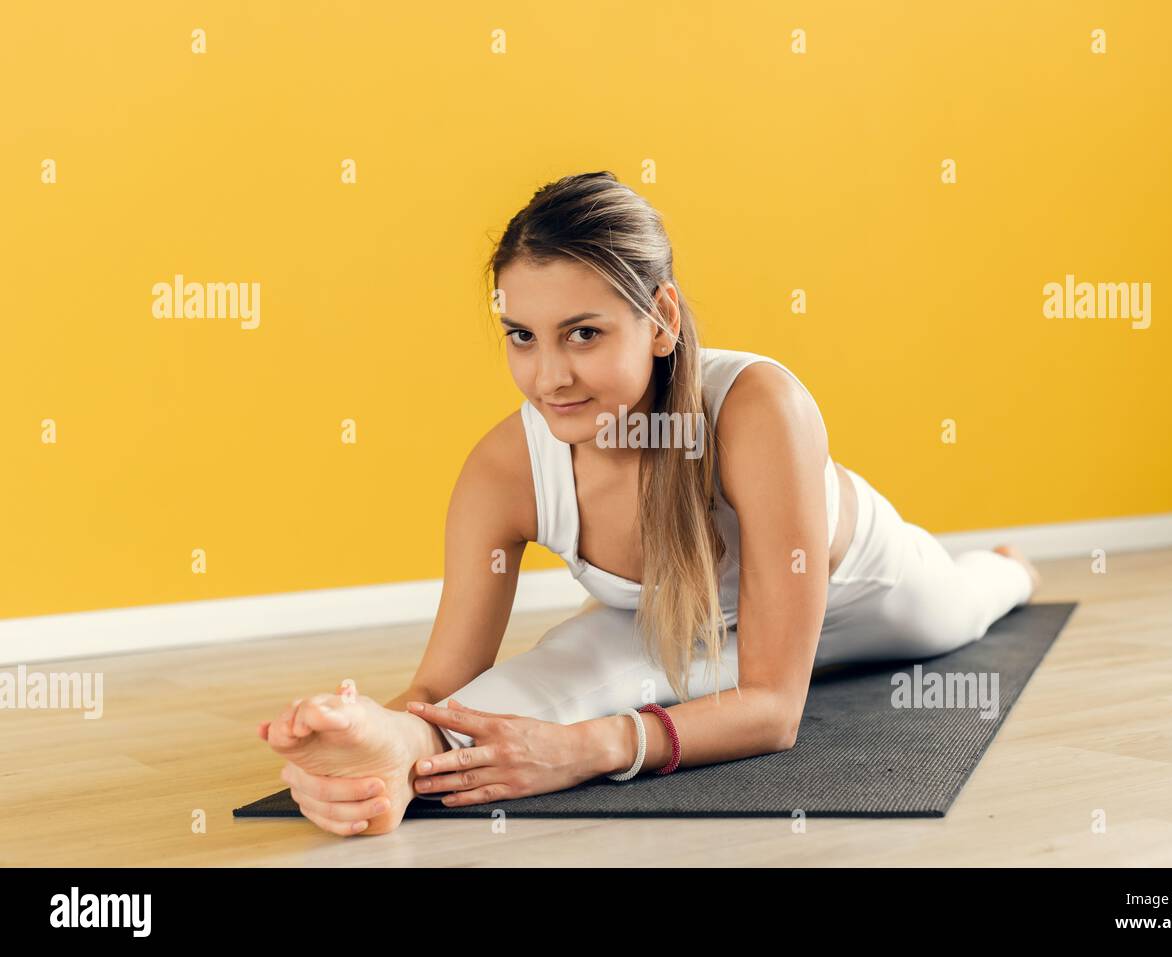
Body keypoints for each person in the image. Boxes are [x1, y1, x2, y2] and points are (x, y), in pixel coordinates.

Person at [256, 171, 1041, 836]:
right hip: (684, 620)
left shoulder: (761, 409)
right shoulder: (503, 470)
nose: (549, 377)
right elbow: (443, 685)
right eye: (522, 335)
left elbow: (774, 708)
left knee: (965, 606)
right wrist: (384, 744)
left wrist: (587, 751)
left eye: (583, 334)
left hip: (866, 594)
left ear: (661, 318)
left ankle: (1009, 568)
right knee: (573, 661)